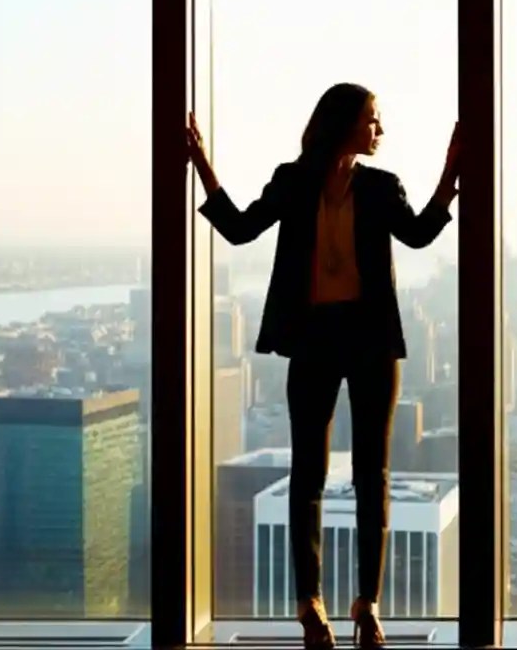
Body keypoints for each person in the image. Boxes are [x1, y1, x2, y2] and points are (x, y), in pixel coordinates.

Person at [185, 83, 459, 649]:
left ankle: (367, 604)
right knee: (307, 474)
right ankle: (309, 601)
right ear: (345, 124)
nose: (380, 132)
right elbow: (239, 228)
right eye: (372, 121)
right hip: (311, 341)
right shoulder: (294, 180)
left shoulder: (382, 187)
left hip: (370, 342)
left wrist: (452, 174)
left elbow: (418, 233)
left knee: (371, 476)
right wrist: (202, 166)